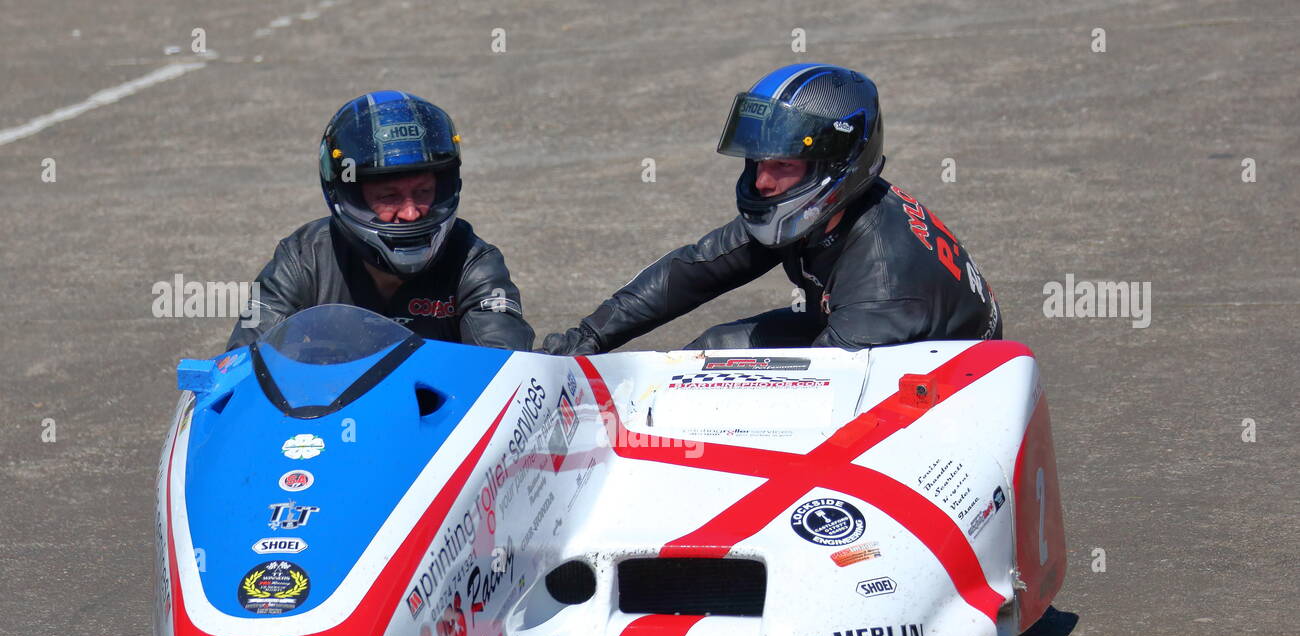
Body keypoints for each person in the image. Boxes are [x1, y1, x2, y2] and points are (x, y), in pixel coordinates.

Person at [542, 63, 1000, 355]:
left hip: (938, 384)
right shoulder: (822, 212)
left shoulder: (883, 278)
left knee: (719, 390)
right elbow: (697, 269)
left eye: (782, 164)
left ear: (835, 163)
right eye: (757, 162)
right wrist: (588, 337)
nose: (762, 181)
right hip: (851, 327)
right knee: (706, 358)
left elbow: (825, 395)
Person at [226, 90, 533, 351]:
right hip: (325, 418)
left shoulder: (474, 262)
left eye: (424, 191)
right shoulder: (303, 259)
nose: (411, 213)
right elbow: (246, 365)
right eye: (389, 196)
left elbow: (505, 368)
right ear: (349, 195)